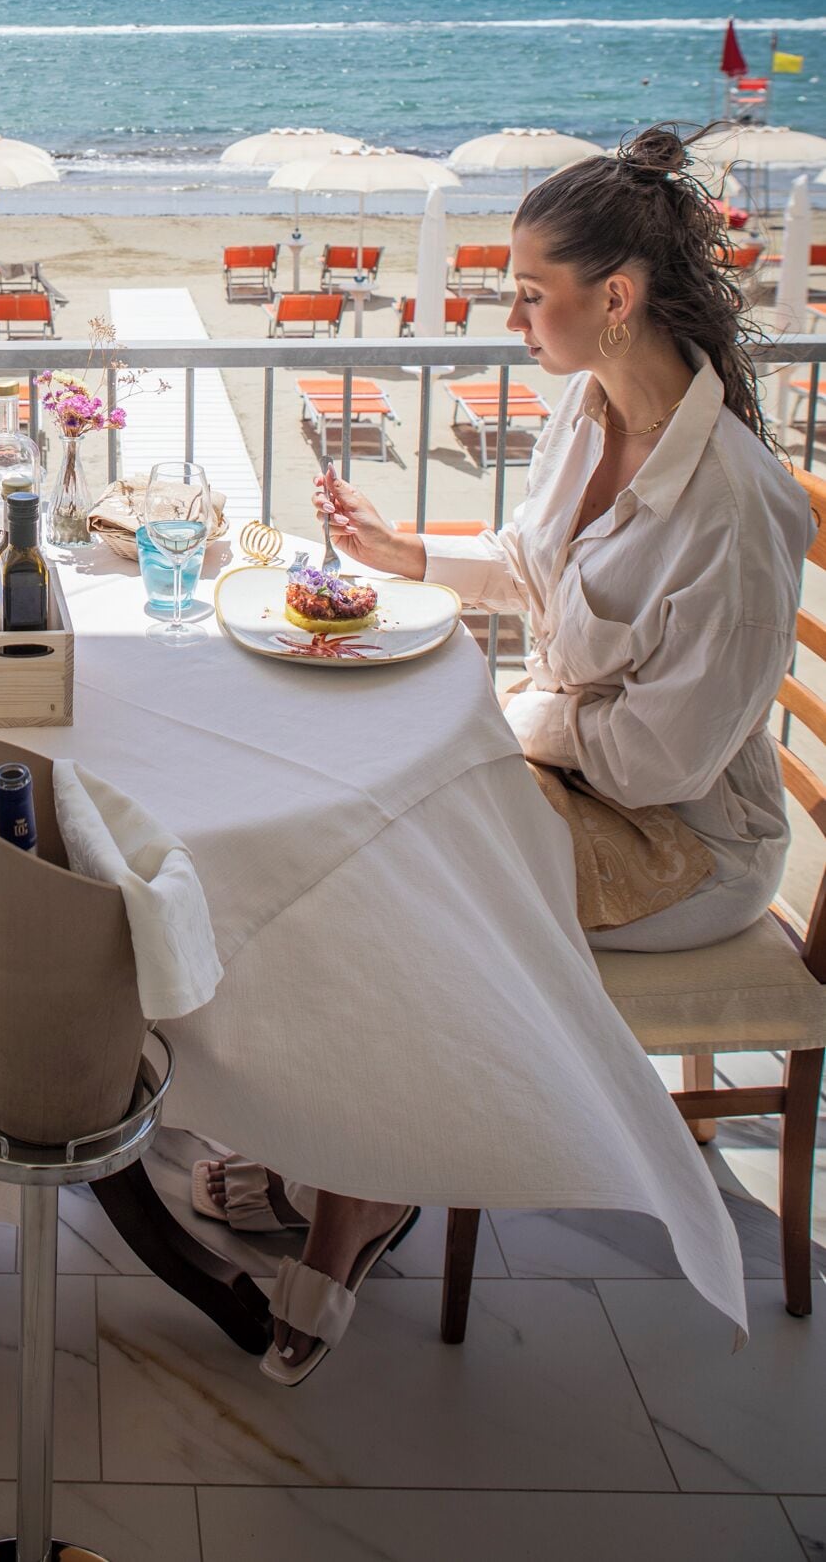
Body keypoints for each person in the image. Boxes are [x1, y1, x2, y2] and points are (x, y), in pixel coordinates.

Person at [194, 124, 812, 1383]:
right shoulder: (590, 415)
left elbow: (658, 761)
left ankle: (353, 1199)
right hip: (579, 775)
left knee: (394, 887)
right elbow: (534, 565)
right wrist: (405, 554)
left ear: (616, 298)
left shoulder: (737, 506)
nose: (511, 316)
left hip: (683, 843)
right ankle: (336, 1139)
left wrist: (497, 716)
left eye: (531, 294)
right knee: (344, 830)